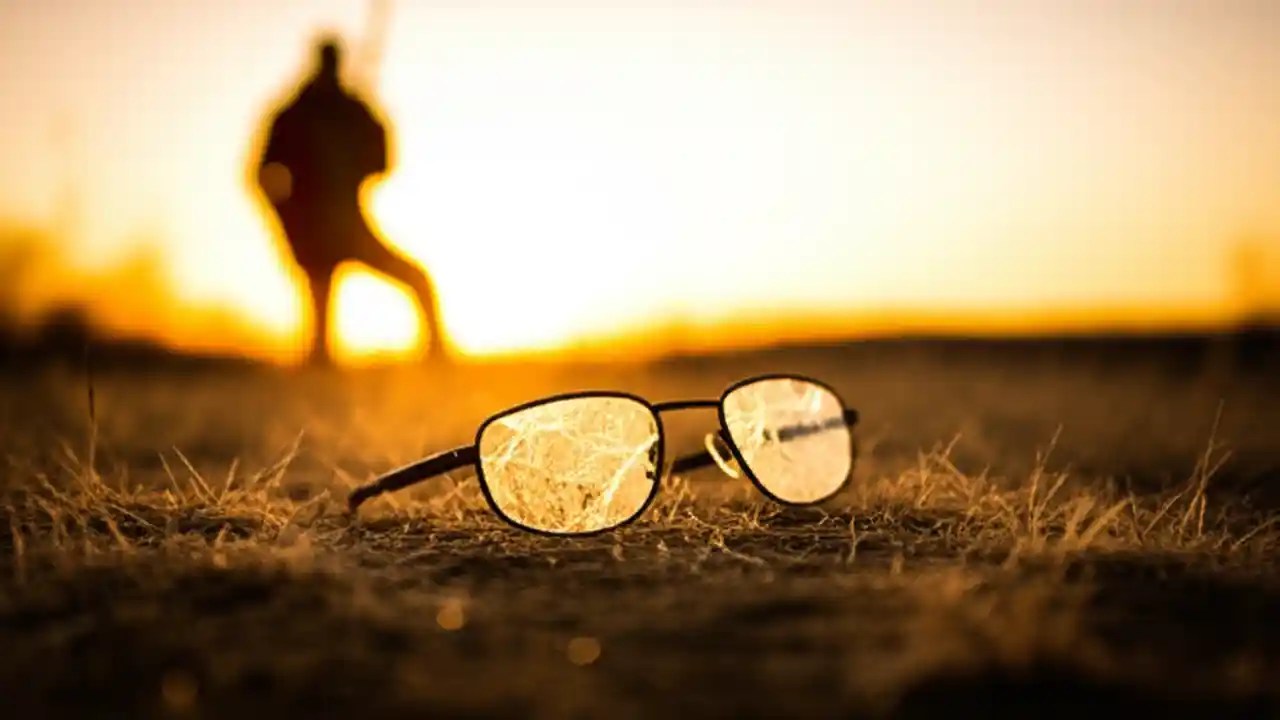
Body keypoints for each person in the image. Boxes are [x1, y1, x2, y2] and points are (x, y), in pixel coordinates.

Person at [255, 36, 445, 365]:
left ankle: (435, 356)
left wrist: (370, 120)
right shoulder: (297, 113)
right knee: (320, 307)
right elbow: (263, 173)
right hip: (312, 228)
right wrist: (287, 218)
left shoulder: (350, 109)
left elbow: (381, 162)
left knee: (415, 279)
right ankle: (319, 368)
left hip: (349, 223)